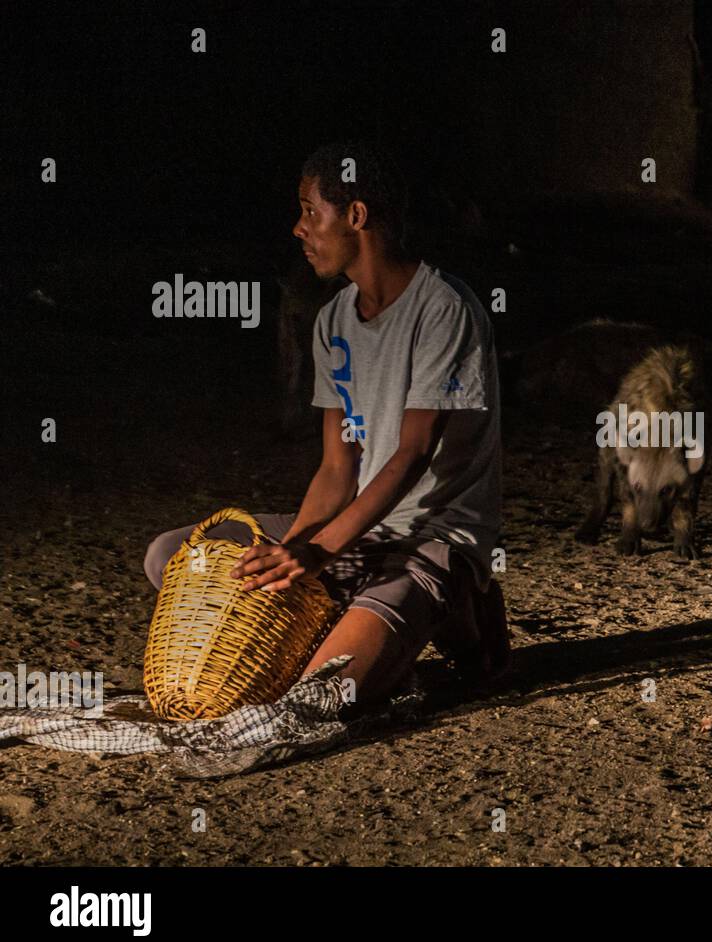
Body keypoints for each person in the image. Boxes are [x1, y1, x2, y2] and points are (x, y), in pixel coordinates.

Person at [143, 142, 509, 709]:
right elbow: (339, 469)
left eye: (311, 211)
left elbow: (412, 455)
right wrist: (288, 554)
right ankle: (360, 607)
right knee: (174, 554)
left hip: (430, 535)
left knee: (320, 700)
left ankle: (462, 603)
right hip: (358, 526)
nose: (298, 228)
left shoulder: (443, 310)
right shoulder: (333, 319)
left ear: (356, 216)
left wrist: (319, 553)